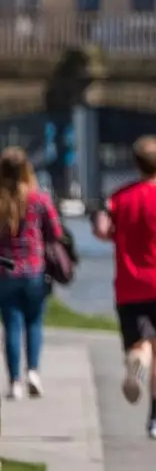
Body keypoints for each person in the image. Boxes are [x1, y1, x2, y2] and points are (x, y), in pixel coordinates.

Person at [92, 136, 156, 441]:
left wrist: (117, 237)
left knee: (138, 344)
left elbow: (101, 229)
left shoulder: (119, 198)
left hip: (128, 285)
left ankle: (135, 363)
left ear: (136, 164)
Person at [0, 149, 63, 400]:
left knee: (12, 325)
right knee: (34, 322)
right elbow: (56, 233)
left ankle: (15, 381)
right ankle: (33, 372)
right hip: (34, 270)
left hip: (5, 272)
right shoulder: (39, 199)